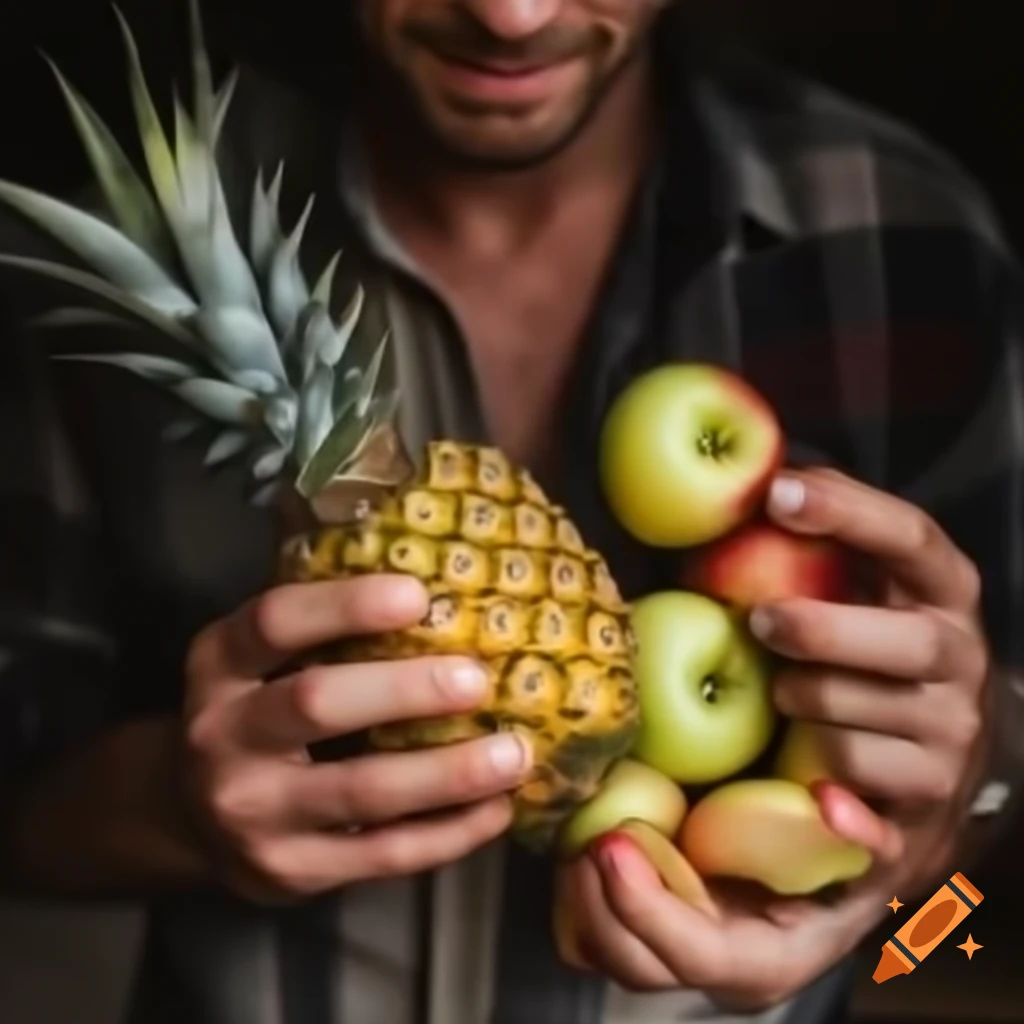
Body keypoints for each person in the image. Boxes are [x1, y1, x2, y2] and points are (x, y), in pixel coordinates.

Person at [1, 2, 1022, 1023]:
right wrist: (177, 809)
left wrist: (940, 841)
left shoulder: (903, 236)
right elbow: (21, 808)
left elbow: (986, 838)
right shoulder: (114, 264)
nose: (510, 15)